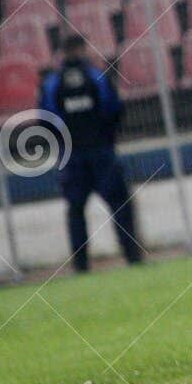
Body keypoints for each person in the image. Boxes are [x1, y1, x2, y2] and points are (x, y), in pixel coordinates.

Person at [40, 34, 143, 273]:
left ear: (62, 53)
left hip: (72, 157)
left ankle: (82, 265)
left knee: (76, 211)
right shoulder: (96, 76)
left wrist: (64, 144)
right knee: (120, 204)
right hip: (102, 153)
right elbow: (114, 108)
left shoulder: (53, 83)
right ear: (82, 50)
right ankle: (132, 256)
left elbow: (46, 119)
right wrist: (107, 136)